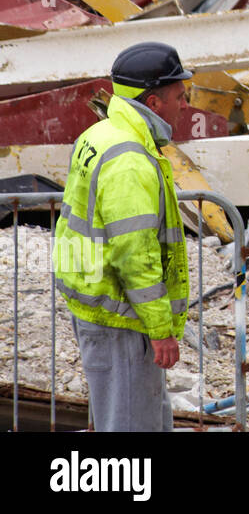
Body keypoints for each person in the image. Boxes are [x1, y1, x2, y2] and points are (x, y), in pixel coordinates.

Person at [54, 42, 193, 431]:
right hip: (123, 319)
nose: (185, 105)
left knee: (137, 418)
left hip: (101, 307)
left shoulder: (100, 134)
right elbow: (135, 254)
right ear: (154, 100)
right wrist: (160, 329)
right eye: (180, 96)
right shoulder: (130, 159)